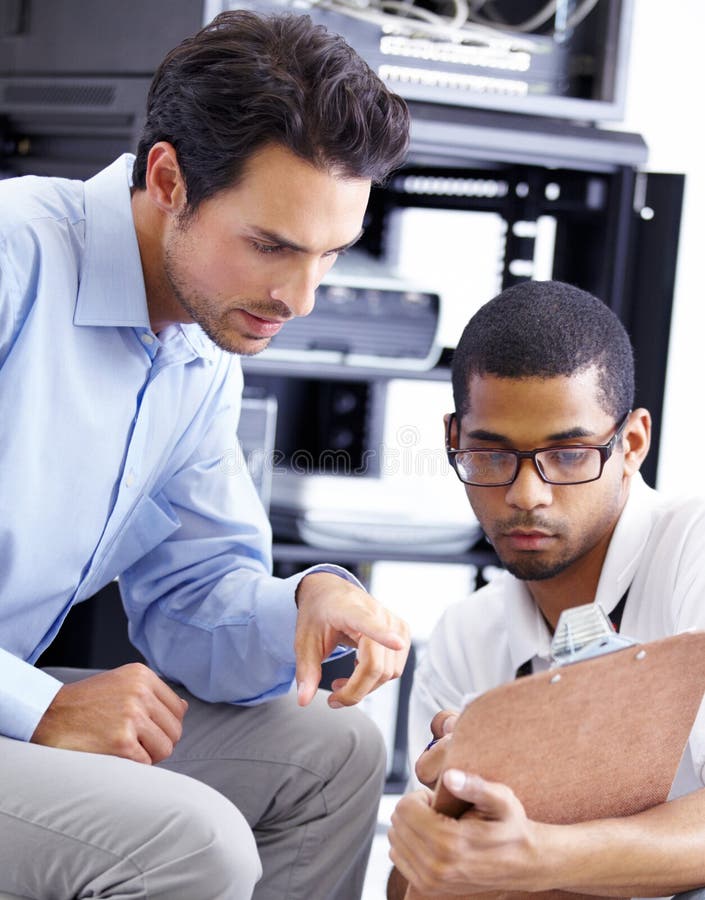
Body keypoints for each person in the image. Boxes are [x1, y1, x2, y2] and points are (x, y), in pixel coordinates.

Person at [0, 10, 412, 899]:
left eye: (330, 256)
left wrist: (307, 603)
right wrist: (39, 708)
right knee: (195, 842)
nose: (299, 299)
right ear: (167, 178)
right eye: (270, 245)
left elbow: (193, 600)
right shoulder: (11, 257)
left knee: (334, 752)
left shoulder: (198, 344)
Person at [387, 279, 705, 899]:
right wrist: (444, 831)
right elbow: (412, 889)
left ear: (632, 444)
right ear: (454, 441)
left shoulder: (695, 550)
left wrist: (539, 855)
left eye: (567, 455)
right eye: (491, 455)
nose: (525, 495)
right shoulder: (465, 636)